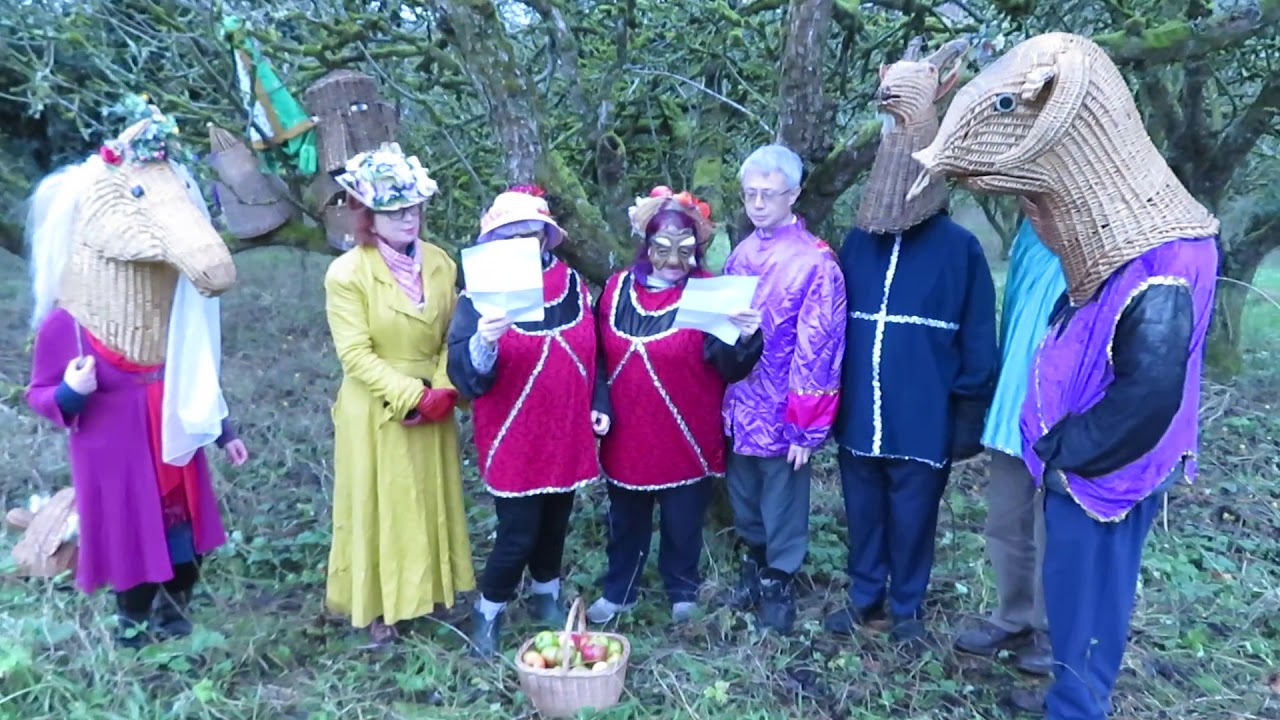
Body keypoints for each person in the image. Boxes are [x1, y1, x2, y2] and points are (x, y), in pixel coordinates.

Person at [910, 32, 1221, 719]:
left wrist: (1066, 452)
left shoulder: (1161, 260)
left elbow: (1149, 392)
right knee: (1072, 586)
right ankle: (1069, 690)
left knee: (1087, 599)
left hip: (1100, 472)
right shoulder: (1109, 243)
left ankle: (1076, 704)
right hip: (1070, 457)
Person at [23, 96, 249, 648]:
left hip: (170, 430)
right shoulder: (68, 325)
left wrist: (224, 429)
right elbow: (40, 393)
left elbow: (194, 368)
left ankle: (175, 612)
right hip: (114, 445)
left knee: (181, 528)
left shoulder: (168, 314)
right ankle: (133, 620)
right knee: (129, 530)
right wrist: (71, 392)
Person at [822, 37, 998, 645]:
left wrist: (966, 417)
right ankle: (864, 596)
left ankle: (907, 608)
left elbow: (979, 341)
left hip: (924, 415)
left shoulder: (960, 250)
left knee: (914, 514)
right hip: (859, 413)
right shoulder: (857, 242)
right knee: (863, 510)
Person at [586, 187, 764, 626]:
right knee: (625, 517)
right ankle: (620, 590)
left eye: (684, 251)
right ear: (646, 244)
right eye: (662, 248)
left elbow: (729, 366)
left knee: (683, 518)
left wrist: (744, 336)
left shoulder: (711, 293)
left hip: (687, 429)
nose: (672, 261)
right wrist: (600, 402)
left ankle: (682, 588)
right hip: (627, 431)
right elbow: (598, 357)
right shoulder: (616, 290)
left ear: (697, 250)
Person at [446, 186, 608, 657]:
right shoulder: (480, 294)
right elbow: (464, 372)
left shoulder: (573, 284)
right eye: (510, 235)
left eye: (530, 234)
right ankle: (489, 610)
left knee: (556, 520)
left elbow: (598, 353)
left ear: (544, 237)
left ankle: (545, 595)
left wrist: (599, 400)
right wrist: (484, 340)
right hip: (513, 430)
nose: (522, 243)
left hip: (566, 426)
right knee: (517, 533)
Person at [323, 143, 474, 646]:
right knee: (382, 501)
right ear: (367, 217)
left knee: (428, 494)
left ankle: (430, 592)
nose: (408, 218)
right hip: (376, 405)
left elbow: (453, 333)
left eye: (413, 208)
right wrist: (412, 396)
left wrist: (444, 388)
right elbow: (354, 355)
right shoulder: (347, 273)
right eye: (394, 212)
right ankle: (380, 607)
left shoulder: (441, 263)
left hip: (436, 397)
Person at [722, 144, 847, 634]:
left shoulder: (815, 262)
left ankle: (780, 580)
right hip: (740, 400)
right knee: (744, 495)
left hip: (785, 406)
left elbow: (821, 347)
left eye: (768, 194)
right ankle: (754, 567)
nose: (757, 203)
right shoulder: (741, 253)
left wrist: (806, 427)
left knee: (783, 500)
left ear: (793, 195)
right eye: (749, 194)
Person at [952, 220, 1063, 674]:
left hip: (1063, 409)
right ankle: (1013, 618)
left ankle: (1051, 631)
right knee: (1005, 521)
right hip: (1013, 401)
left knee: (1053, 527)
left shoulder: (1094, 231)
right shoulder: (1029, 233)